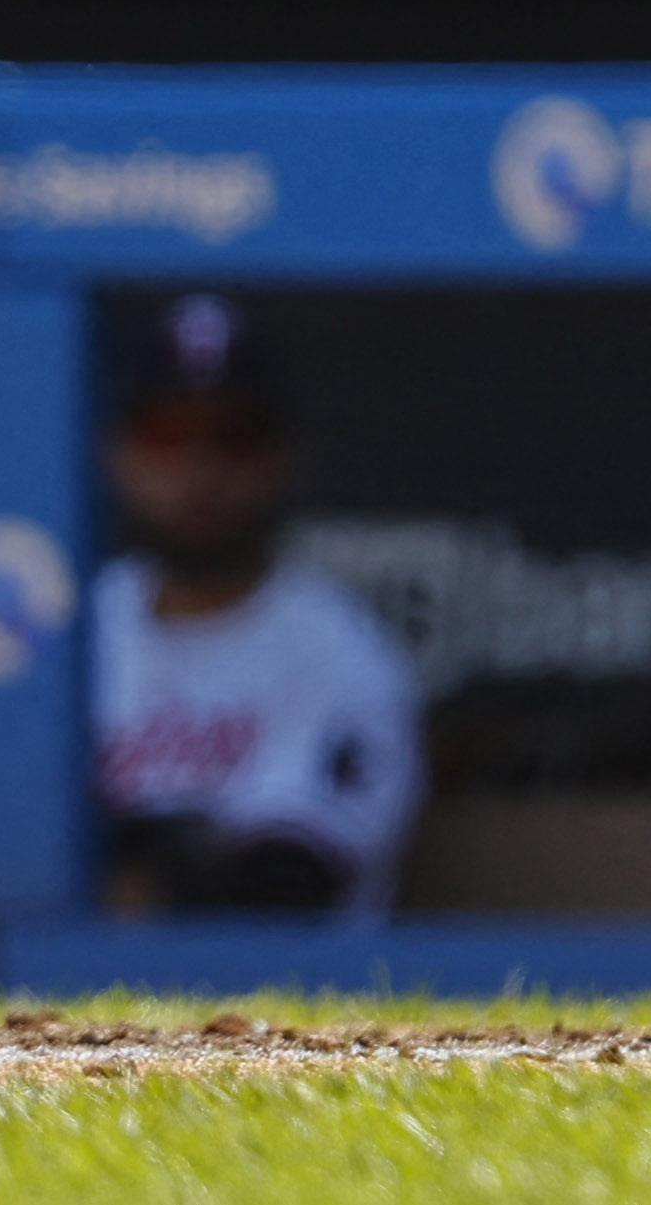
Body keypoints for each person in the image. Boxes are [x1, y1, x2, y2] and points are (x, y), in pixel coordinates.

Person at [92, 297, 424, 915]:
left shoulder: (342, 653)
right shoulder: (62, 631)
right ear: (117, 453)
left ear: (285, 459)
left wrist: (96, 869)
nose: (200, 468)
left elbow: (280, 889)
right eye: (167, 437)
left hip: (272, 1007)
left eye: (233, 439)